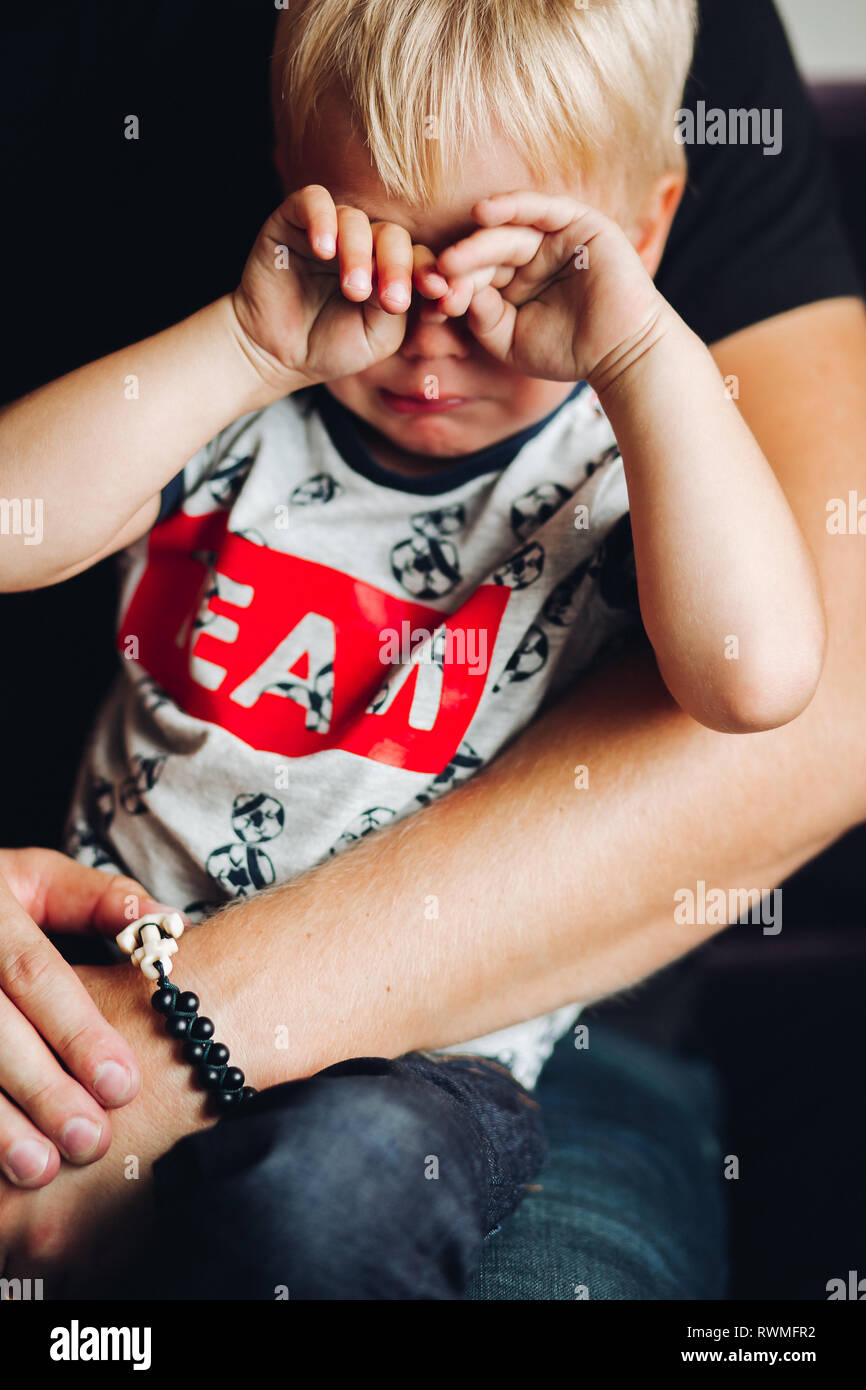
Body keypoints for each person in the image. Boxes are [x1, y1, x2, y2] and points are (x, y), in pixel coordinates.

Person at [0, 0, 863, 1300]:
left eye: (508, 275)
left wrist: (636, 352)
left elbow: (760, 679)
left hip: (418, 1060)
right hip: (95, 985)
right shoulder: (244, 400)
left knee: (328, 1194)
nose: (432, 338)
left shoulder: (629, 470)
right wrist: (238, 341)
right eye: (379, 264)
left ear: (640, 231)